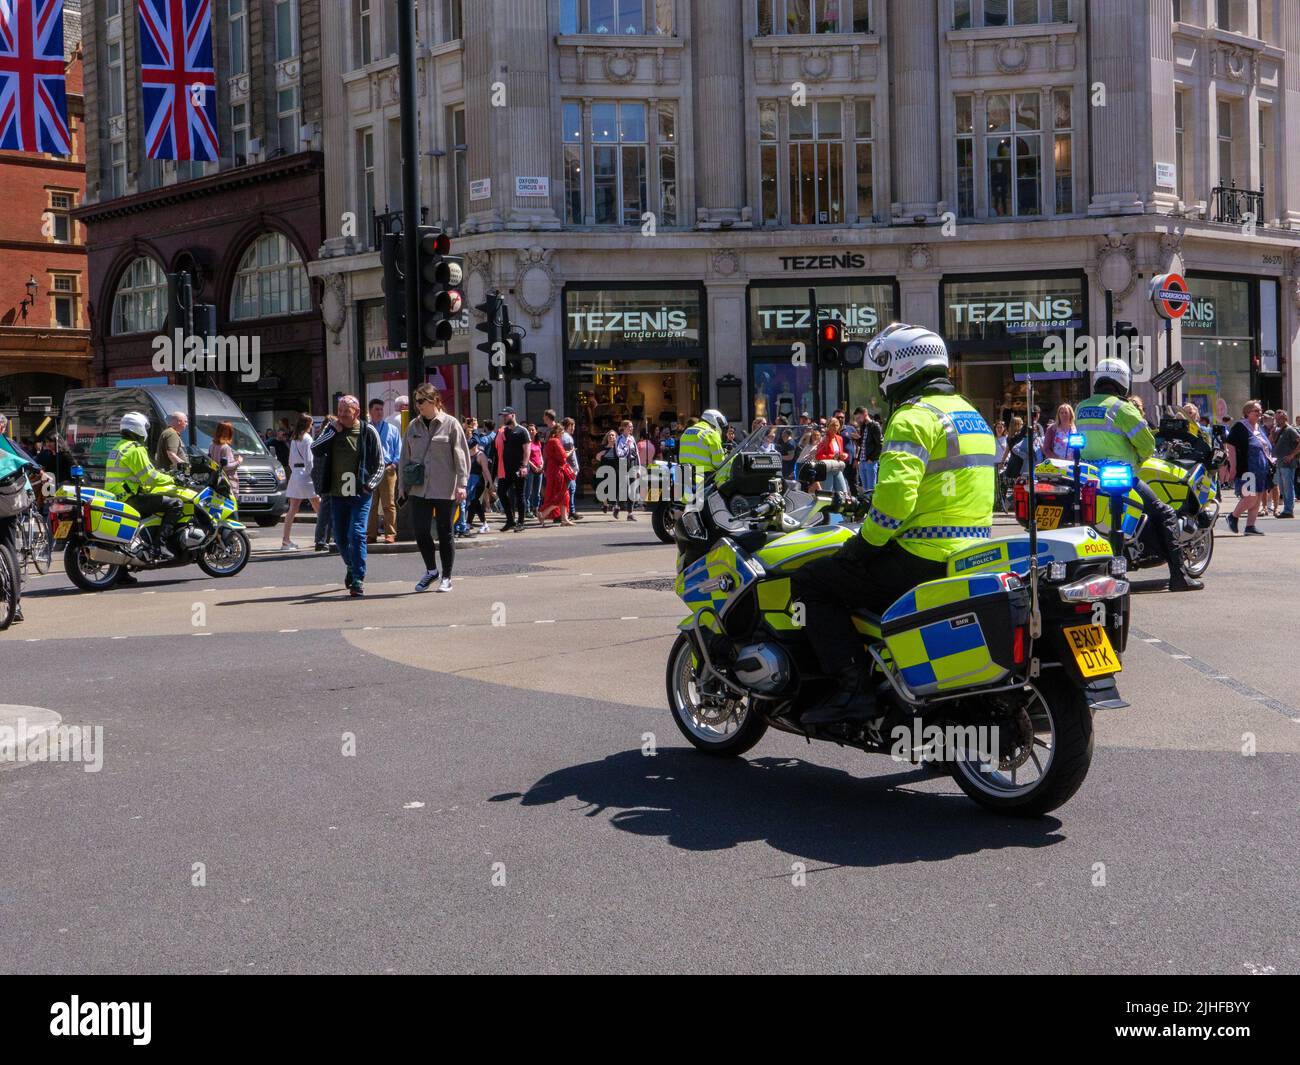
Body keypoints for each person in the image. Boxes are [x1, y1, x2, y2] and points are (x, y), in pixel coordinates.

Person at [793, 323, 998, 724]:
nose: (881, 381)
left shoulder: (913, 417)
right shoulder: (973, 415)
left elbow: (893, 506)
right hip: (970, 554)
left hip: (919, 554)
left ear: (900, 368)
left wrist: (863, 546)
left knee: (812, 581)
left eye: (881, 368)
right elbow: (943, 490)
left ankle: (852, 688)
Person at [1075, 359, 1202, 589]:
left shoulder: (1081, 407)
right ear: (1123, 381)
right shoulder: (1122, 408)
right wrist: (1139, 459)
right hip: (1119, 477)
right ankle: (1179, 577)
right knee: (1165, 513)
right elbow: (1146, 444)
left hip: (1088, 477)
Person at [311, 395, 384, 596]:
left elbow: (380, 463)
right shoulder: (332, 429)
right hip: (337, 492)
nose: (342, 416)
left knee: (357, 533)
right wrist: (332, 431)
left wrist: (369, 485)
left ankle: (358, 577)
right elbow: (315, 449)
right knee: (341, 538)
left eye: (346, 413)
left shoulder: (367, 431)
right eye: (340, 412)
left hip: (360, 492)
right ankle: (351, 566)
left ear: (357, 413)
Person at [400, 384, 468, 593]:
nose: (417, 405)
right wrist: (402, 486)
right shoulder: (413, 426)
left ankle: (447, 576)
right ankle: (431, 570)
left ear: (434, 401)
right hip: (419, 488)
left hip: (444, 487)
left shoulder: (451, 424)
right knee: (420, 531)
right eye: (416, 401)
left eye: (421, 401)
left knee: (445, 532)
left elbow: (462, 456)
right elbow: (405, 457)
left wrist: (462, 485)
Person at [105, 412, 183, 562]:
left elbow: (137, 474)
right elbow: (149, 477)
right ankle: (159, 546)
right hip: (130, 498)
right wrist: (172, 479)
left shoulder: (118, 447)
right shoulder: (135, 448)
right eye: (145, 428)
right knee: (176, 504)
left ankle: (123, 573)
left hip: (117, 497)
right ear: (138, 428)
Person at [0, 418, 41, 623]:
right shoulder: (7, 443)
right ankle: (15, 605)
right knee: (9, 547)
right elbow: (31, 463)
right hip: (10, 503)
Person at [1226, 400, 1273, 535]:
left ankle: (1250, 526)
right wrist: (1233, 467)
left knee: (1257, 497)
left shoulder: (1259, 427)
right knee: (1250, 496)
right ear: (1247, 412)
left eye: (1260, 410)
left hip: (1261, 469)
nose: (1259, 413)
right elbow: (1230, 446)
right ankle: (1233, 516)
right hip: (1247, 468)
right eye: (1256, 411)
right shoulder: (1240, 427)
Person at [279, 413, 320, 551]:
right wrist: (312, 475)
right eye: (311, 424)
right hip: (305, 476)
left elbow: (290, 461)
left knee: (292, 509)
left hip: (295, 475)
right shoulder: (308, 439)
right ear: (308, 424)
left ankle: (286, 540)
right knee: (319, 506)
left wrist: (296, 472)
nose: (312, 426)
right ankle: (324, 536)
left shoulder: (294, 438)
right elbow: (309, 461)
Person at [365, 397, 402, 544]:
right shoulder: (366, 429)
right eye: (376, 409)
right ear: (370, 411)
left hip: (387, 469)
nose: (379, 412)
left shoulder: (391, 429)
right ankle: (371, 534)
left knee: (389, 503)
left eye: (381, 409)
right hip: (371, 470)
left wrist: (394, 464)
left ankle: (390, 533)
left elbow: (398, 449)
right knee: (371, 504)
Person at [677, 409, 727, 505]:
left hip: (685, 473)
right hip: (704, 476)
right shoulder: (711, 434)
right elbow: (719, 464)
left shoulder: (687, 431)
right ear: (714, 420)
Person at [492, 406, 531, 532]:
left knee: (520, 494)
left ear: (513, 415)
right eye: (503, 416)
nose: (504, 418)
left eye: (506, 415)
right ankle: (510, 520)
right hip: (506, 469)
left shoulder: (522, 431)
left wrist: (524, 466)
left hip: (519, 468)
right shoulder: (504, 432)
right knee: (502, 492)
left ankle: (521, 522)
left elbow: (527, 450)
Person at [538, 426, 574, 526]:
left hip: (552, 470)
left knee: (564, 494)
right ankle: (543, 513)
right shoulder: (555, 441)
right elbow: (563, 457)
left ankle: (564, 518)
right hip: (558, 471)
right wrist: (570, 452)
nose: (562, 434)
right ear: (558, 432)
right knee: (560, 494)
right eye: (562, 432)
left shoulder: (549, 441)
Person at [1272, 409, 1298, 519]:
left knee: (1288, 487)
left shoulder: (1290, 430)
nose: (1278, 420)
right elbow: (1272, 442)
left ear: (1286, 418)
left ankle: (1288, 510)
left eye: (1280, 418)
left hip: (1288, 463)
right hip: (1280, 463)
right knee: (1283, 488)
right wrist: (1272, 431)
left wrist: (1292, 455)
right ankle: (1286, 510)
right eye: (1277, 418)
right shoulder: (1278, 430)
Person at [815, 416, 850, 494]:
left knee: (844, 493)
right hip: (827, 470)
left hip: (837, 468)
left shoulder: (839, 438)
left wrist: (844, 455)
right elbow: (818, 456)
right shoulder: (824, 439)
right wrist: (832, 457)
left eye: (837, 425)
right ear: (828, 426)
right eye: (832, 425)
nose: (835, 428)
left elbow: (840, 453)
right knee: (828, 493)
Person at [614, 419, 640, 520]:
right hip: (624, 465)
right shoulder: (619, 439)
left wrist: (638, 468)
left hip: (632, 464)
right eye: (630, 426)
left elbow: (636, 453)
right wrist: (627, 447)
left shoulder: (632, 438)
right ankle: (617, 506)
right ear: (624, 428)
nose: (631, 428)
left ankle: (630, 513)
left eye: (632, 426)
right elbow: (619, 454)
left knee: (633, 489)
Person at [208, 421, 242, 498]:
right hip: (228, 481)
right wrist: (238, 462)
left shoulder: (212, 445)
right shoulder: (225, 447)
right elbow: (226, 466)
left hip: (217, 480)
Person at [524, 424, 544, 517]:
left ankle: (535, 508)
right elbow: (526, 457)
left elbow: (540, 455)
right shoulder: (526, 442)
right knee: (528, 491)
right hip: (530, 469)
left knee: (537, 491)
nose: (531, 432)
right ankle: (527, 510)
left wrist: (542, 464)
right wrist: (533, 466)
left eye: (532, 430)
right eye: (529, 430)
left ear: (536, 431)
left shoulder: (538, 442)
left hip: (539, 469)